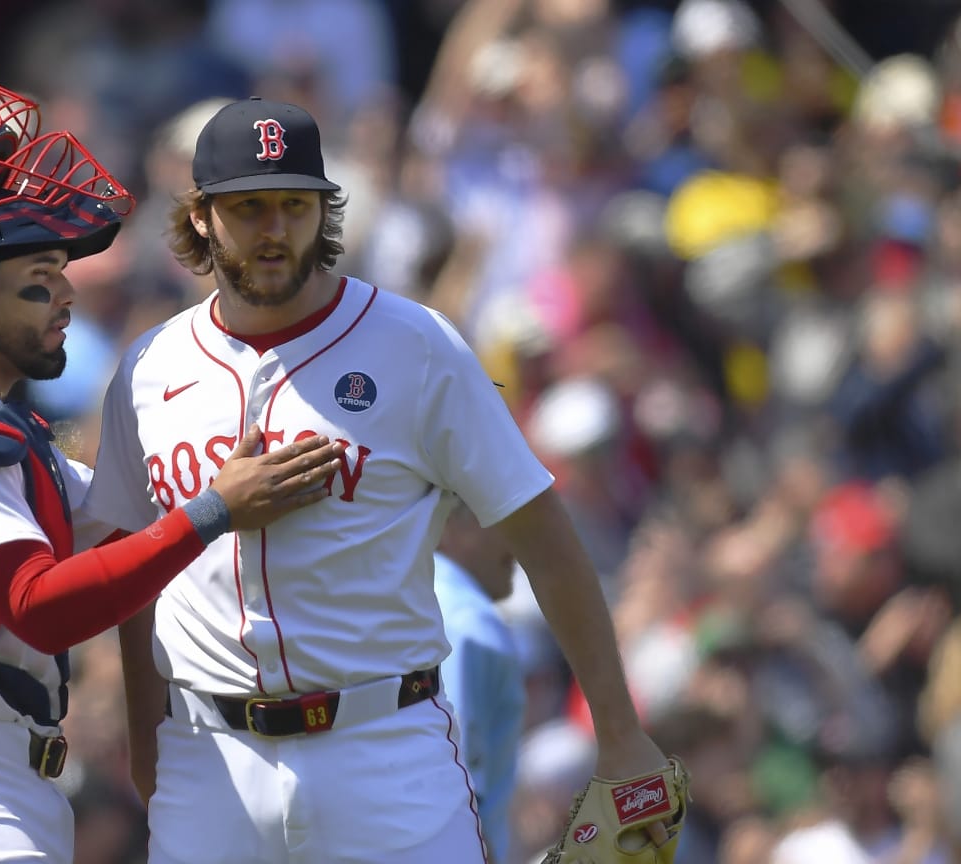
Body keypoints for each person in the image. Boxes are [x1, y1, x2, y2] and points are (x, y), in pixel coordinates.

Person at [85, 96, 675, 863]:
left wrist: (621, 732)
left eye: (296, 206)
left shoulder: (416, 344)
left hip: (382, 745)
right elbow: (137, 575)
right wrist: (147, 742)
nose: (274, 230)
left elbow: (545, 538)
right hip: (209, 759)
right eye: (249, 207)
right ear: (200, 216)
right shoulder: (148, 367)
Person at [0, 83, 346, 863]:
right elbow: (42, 607)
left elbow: (123, 531)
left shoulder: (2, 428)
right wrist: (213, 512)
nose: (66, 293)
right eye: (39, 277)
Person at [434, 503, 524, 864]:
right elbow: (459, 786)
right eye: (501, 520)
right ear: (451, 524)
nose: (518, 544)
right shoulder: (468, 622)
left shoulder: (414, 597)